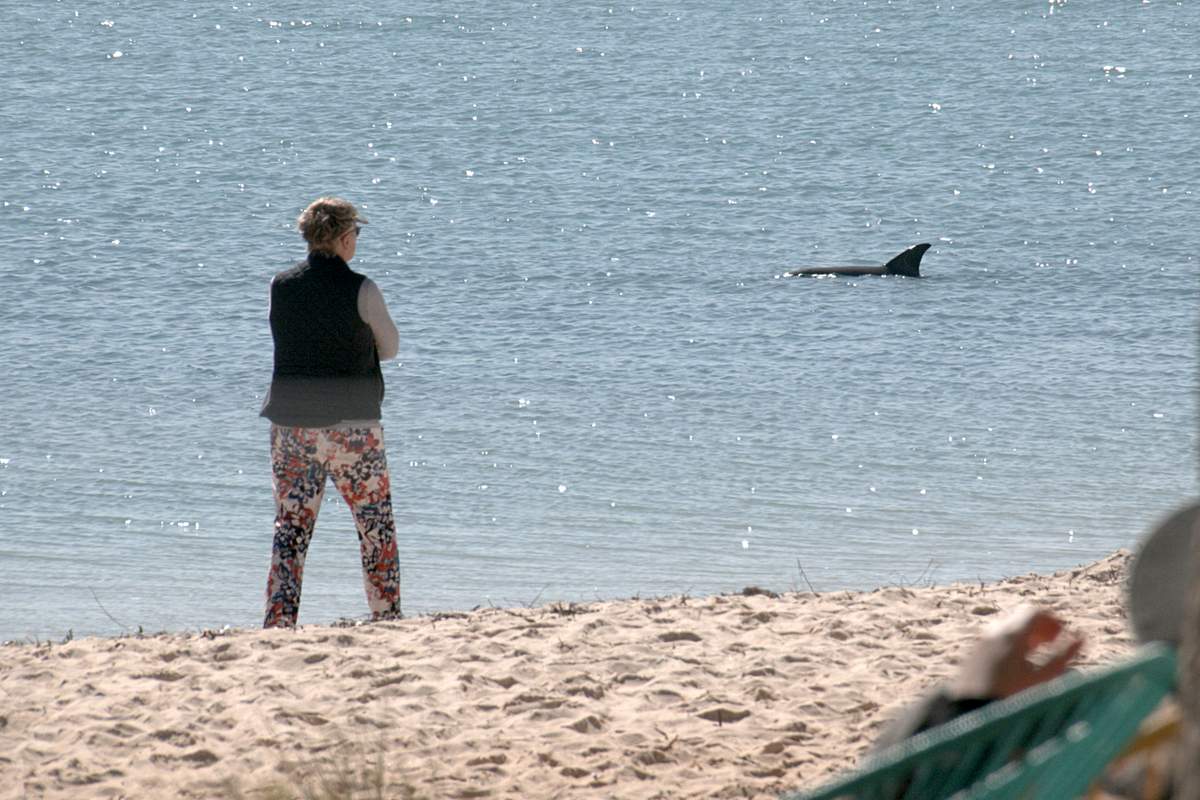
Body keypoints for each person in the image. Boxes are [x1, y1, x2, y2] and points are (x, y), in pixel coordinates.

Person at [259, 197, 402, 629]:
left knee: (291, 530)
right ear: (343, 238)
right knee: (375, 528)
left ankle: (279, 623)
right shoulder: (362, 288)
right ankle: (386, 619)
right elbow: (391, 347)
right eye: (355, 233)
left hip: (291, 426)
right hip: (352, 429)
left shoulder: (280, 286)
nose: (355, 240)